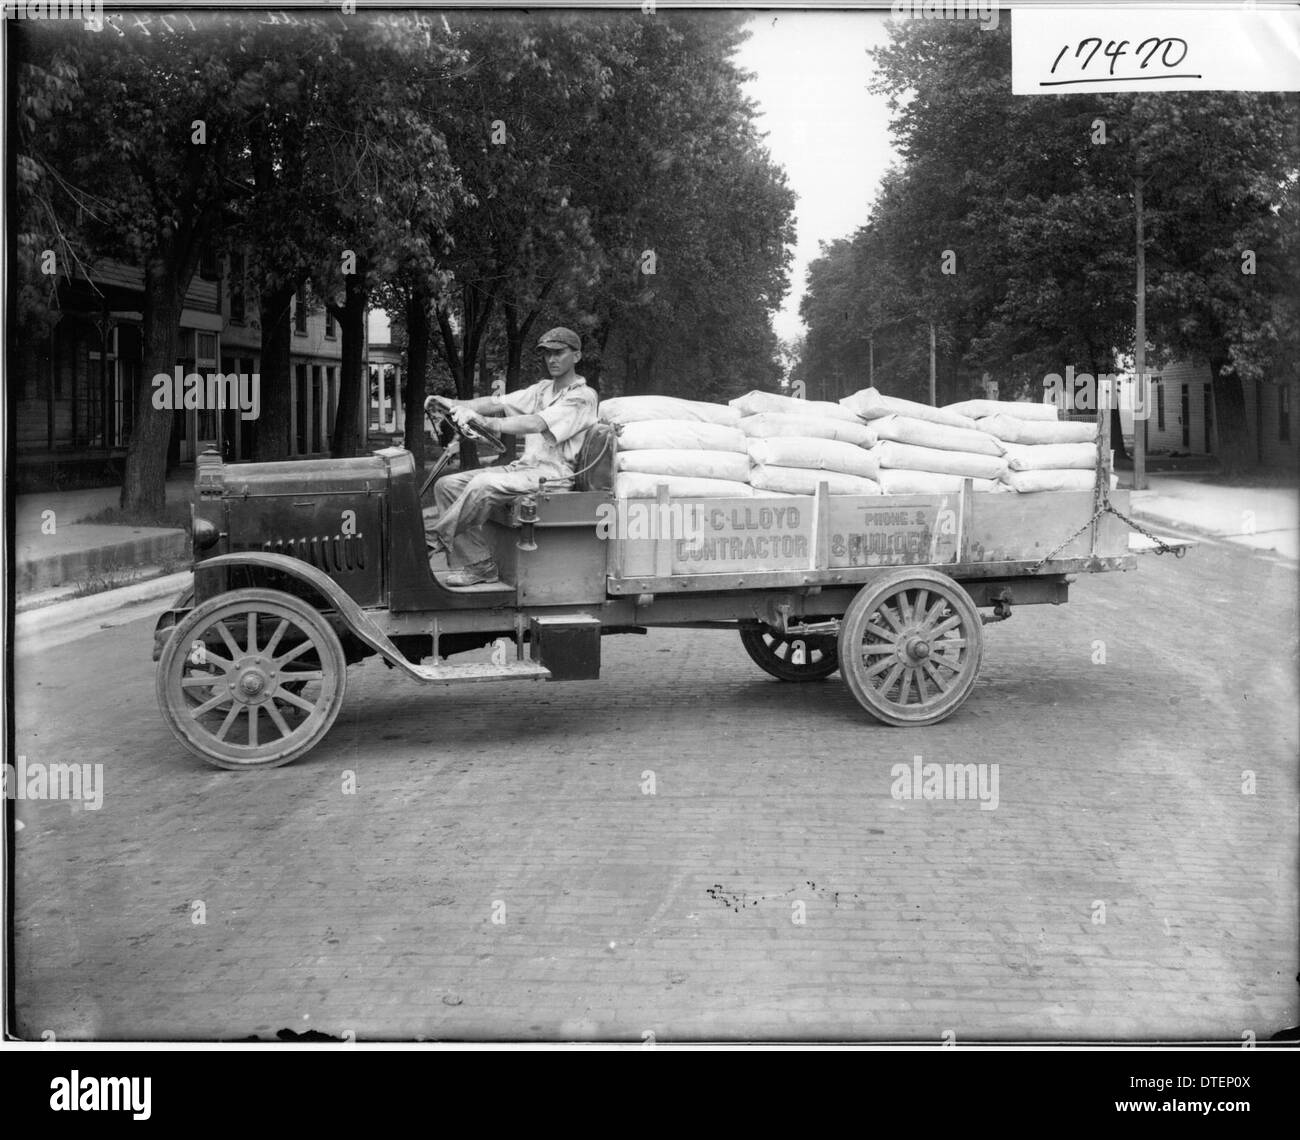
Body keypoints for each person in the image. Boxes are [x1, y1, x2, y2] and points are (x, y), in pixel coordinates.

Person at [423, 327, 597, 586]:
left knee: (482, 485)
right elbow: (497, 403)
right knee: (447, 485)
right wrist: (450, 402)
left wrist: (485, 422)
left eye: (559, 353)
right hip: (523, 469)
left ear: (577, 356)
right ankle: (479, 565)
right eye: (547, 354)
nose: (552, 359)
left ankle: (430, 540)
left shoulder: (582, 397)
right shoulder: (542, 389)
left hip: (553, 477)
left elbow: (537, 423)